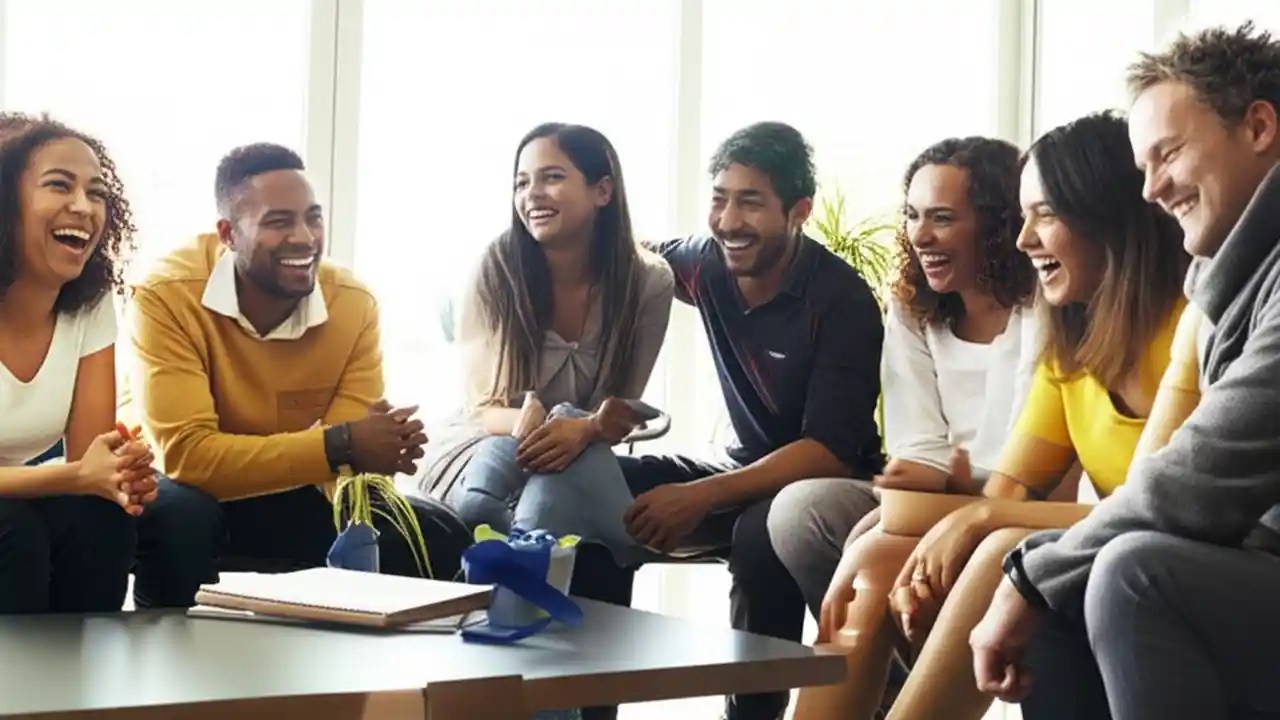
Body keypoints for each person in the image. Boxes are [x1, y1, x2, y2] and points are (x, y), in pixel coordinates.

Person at [972, 23, 1280, 720]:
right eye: (1142, 167)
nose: (1152, 189)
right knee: (1075, 576)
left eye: (1168, 154)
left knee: (1128, 572)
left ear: (1259, 127)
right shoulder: (1234, 282)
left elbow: (1202, 478)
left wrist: (1029, 577)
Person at [864, 111, 1189, 720]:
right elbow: (1011, 488)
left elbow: (1160, 509)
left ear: (1105, 217)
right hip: (1116, 550)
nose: (1022, 240)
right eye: (1023, 216)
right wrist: (951, 543)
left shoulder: (1189, 327)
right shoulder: (1071, 338)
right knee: (915, 550)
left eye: (1045, 215)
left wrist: (980, 518)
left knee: (1010, 547)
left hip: (1181, 558)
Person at [561, 121, 886, 720]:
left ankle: (750, 714)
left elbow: (828, 451)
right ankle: (585, 705)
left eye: (751, 202)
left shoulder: (842, 302)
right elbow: (634, 256)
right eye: (720, 198)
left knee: (761, 534)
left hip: (823, 486)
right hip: (738, 469)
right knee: (599, 488)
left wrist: (699, 497)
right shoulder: (704, 265)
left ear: (800, 211)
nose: (729, 221)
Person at [127, 143, 470, 608]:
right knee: (182, 518)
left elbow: (346, 470)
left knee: (439, 533)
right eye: (278, 222)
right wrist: (341, 444)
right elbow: (189, 457)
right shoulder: (166, 295)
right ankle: (167, 645)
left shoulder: (353, 303)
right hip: (188, 491)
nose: (305, 238)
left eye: (314, 218)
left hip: (299, 487)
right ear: (228, 233)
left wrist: (373, 449)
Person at [789, 135, 1039, 720]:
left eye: (942, 218)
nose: (920, 235)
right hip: (940, 497)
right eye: (913, 216)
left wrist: (876, 537)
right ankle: (884, 681)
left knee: (873, 568)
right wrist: (881, 527)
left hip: (1021, 500)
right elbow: (918, 449)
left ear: (997, 224)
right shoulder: (911, 306)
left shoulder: (1045, 303)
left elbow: (1027, 471)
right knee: (813, 518)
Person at [419, 122, 673, 563]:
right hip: (483, 444)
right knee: (529, 482)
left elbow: (616, 412)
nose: (532, 194)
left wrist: (583, 429)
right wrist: (546, 424)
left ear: (603, 191)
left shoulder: (648, 283)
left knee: (561, 475)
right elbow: (483, 409)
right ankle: (614, 547)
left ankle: (525, 572)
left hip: (579, 451)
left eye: (552, 177)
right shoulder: (498, 267)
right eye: (521, 183)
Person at [0, 112, 155, 613]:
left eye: (97, 193)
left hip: (19, 495)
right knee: (11, 530)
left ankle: (77, 666)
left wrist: (121, 472)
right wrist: (83, 475)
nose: (84, 207)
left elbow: (90, 456)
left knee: (101, 517)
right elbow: (79, 472)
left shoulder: (89, 302)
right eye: (59, 185)